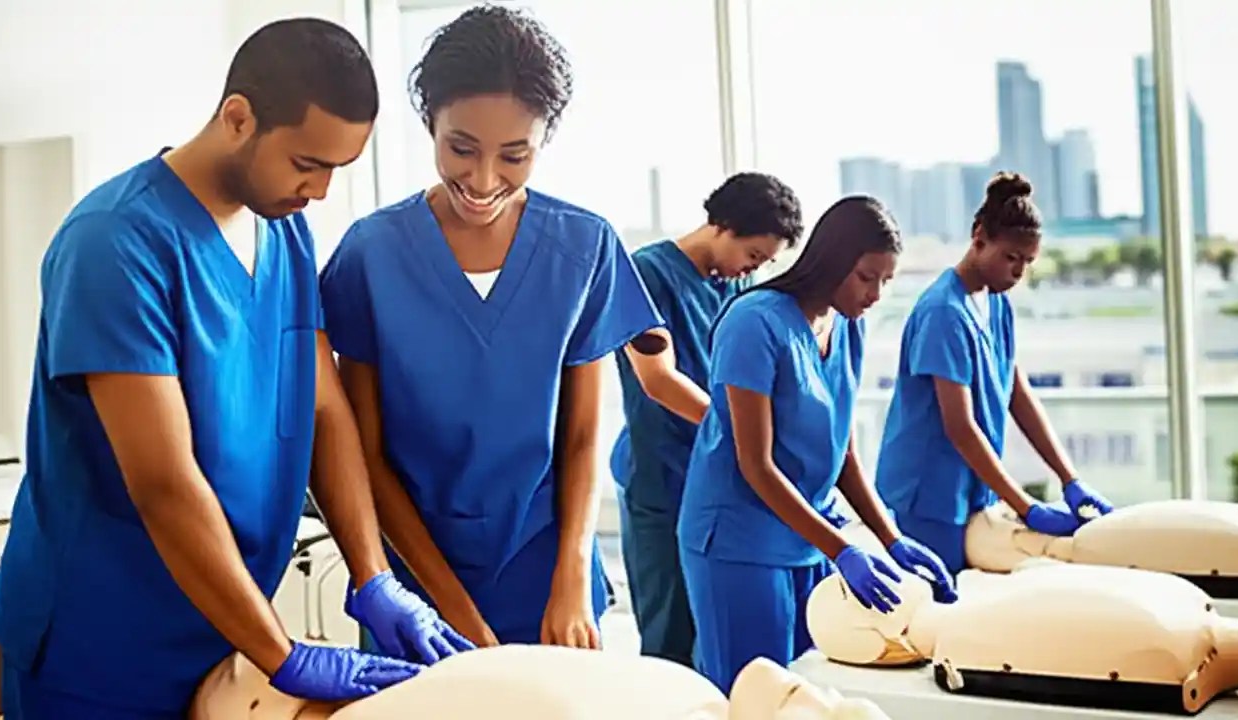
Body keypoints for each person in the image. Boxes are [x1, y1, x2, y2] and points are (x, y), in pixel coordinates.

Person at [0, 19, 474, 719]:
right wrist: (285, 656)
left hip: (220, 624)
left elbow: (323, 408)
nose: (321, 190)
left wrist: (372, 577)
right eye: (308, 163)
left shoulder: (284, 230)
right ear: (238, 117)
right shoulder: (115, 244)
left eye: (339, 169)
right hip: (97, 642)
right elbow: (163, 482)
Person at [319, 5, 663, 652]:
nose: (482, 180)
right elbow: (362, 454)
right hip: (415, 586)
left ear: (544, 142)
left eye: (514, 154)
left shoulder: (582, 246)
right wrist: (455, 616)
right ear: (430, 125)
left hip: (547, 574)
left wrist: (569, 580)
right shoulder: (371, 254)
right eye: (461, 148)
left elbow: (583, 432)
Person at [676, 196, 958, 693]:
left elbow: (842, 453)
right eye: (867, 277)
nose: (875, 294)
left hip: (808, 538)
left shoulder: (848, 326)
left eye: (886, 282)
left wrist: (890, 538)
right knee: (751, 692)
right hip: (738, 540)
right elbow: (756, 465)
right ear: (832, 260)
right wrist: (843, 549)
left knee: (805, 691)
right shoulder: (754, 323)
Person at [873, 172, 1115, 576]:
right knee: (937, 612)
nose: (1018, 271)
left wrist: (1069, 479)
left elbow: (1017, 394)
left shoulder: (996, 303)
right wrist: (1026, 506)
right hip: (926, 496)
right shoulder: (943, 313)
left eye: (1028, 262)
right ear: (978, 237)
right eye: (1010, 257)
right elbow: (960, 427)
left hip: (968, 492)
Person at [609, 172, 803, 666]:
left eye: (765, 263)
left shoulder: (741, 288)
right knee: (669, 633)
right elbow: (657, 378)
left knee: (722, 639)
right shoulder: (646, 275)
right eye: (753, 255)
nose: (753, 270)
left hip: (719, 481)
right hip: (662, 477)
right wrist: (737, 429)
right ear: (722, 225)